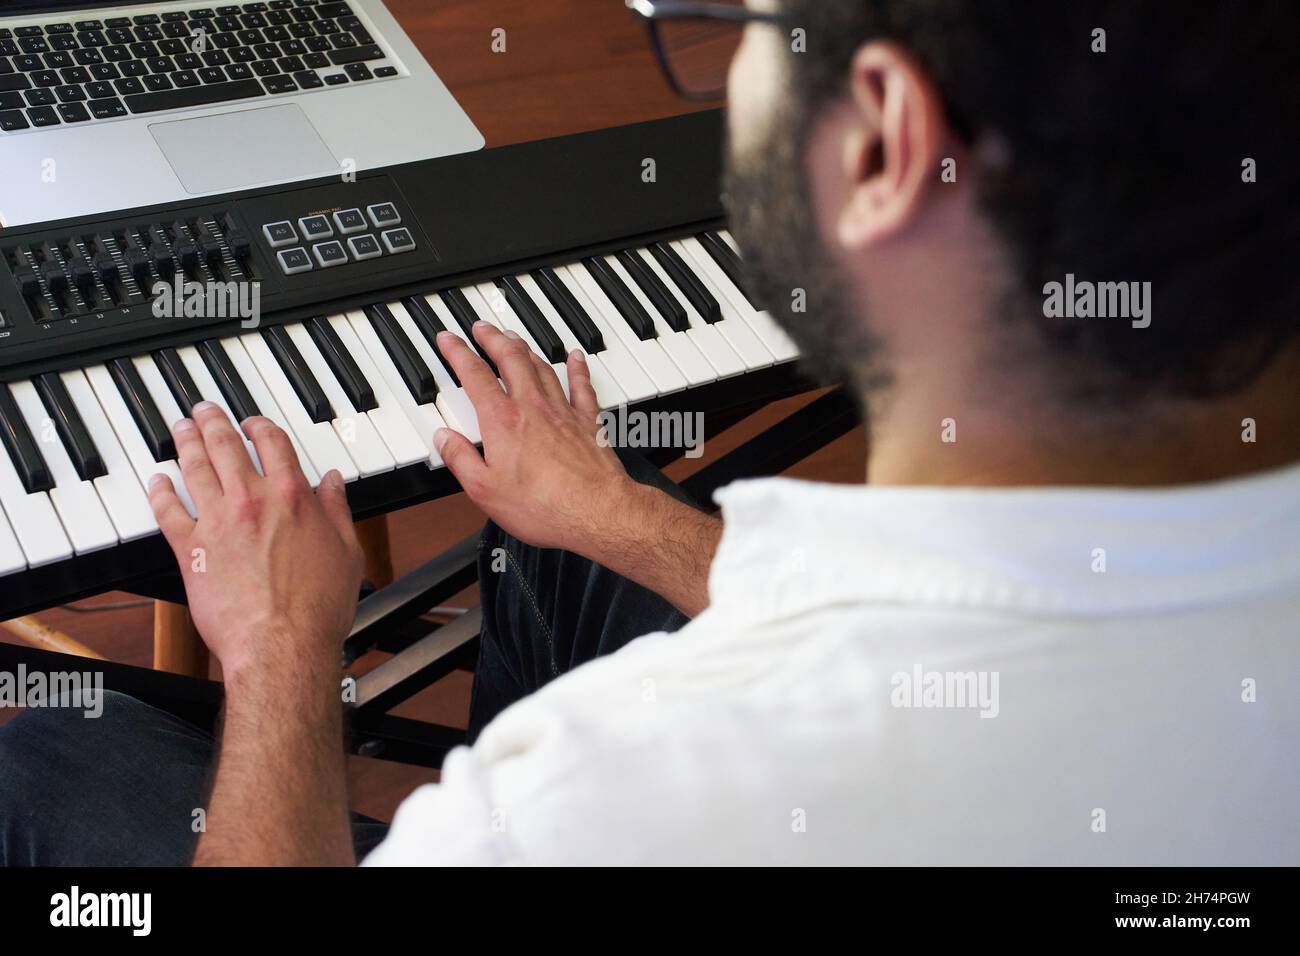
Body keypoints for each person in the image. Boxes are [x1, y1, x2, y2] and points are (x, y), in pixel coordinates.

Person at [1, 0, 1297, 865]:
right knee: (569, 550)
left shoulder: (595, 803)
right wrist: (613, 513)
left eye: (739, 29)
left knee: (58, 748)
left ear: (885, 146)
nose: (725, 64)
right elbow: (937, 612)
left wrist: (284, 649)